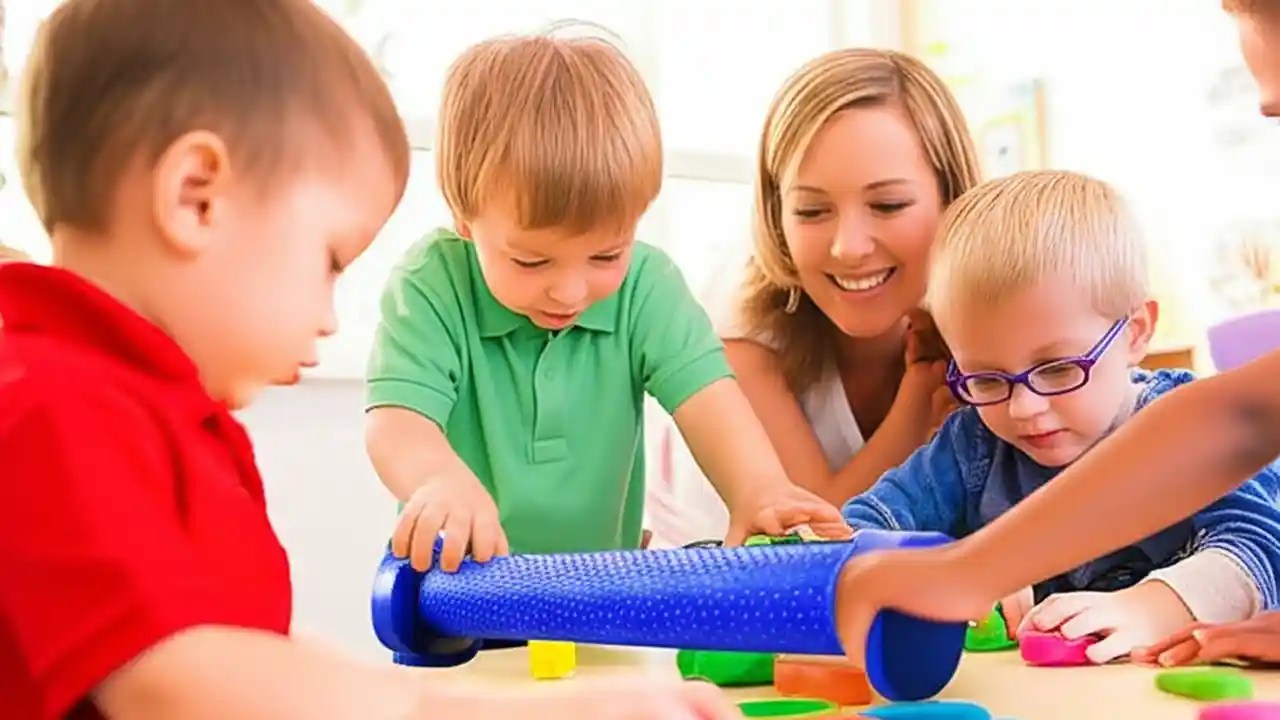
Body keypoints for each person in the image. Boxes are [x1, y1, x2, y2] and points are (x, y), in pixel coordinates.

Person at [0, 2, 742, 718]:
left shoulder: (131, 414)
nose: (328, 317)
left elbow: (253, 659)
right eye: (328, 260)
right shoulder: (55, 407)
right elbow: (174, 680)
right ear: (197, 198)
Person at [833, 0, 1280, 672]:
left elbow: (1257, 539)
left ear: (1135, 334)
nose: (1024, 407)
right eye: (986, 379)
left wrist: (1153, 604)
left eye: (1057, 370)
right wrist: (941, 570)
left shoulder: (1168, 410)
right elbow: (866, 526)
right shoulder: (977, 447)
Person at [364, 32, 846, 574]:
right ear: (463, 217)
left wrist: (759, 489)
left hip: (595, 595)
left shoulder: (647, 285)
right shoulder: (431, 285)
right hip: (458, 592)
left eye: (605, 255)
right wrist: (438, 480)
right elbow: (397, 421)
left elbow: (710, 400)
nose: (570, 292)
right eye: (531, 261)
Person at [704, 49, 983, 519]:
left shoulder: (1002, 321)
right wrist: (920, 393)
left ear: (951, 199)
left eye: (888, 205)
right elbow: (820, 529)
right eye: (812, 211)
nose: (847, 247)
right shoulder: (742, 339)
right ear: (777, 216)